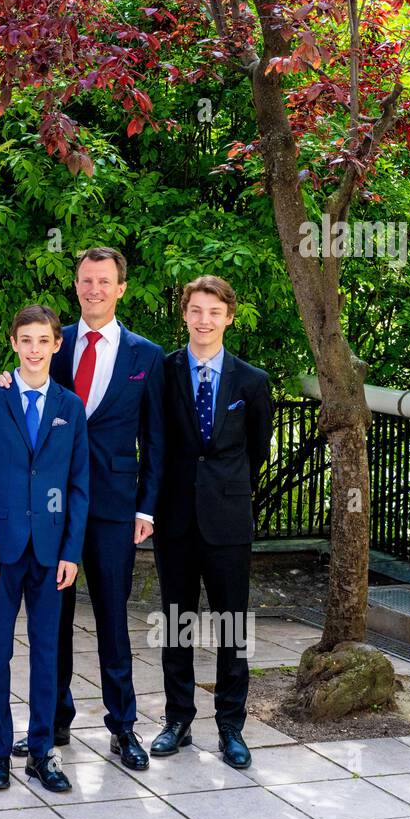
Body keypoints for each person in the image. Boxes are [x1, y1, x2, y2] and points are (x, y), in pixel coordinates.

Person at [0, 246, 165, 770]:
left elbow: (156, 441)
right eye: (86, 280)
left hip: (114, 507)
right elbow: (27, 388)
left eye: (104, 281)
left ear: (121, 288)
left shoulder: (146, 356)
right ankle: (55, 720)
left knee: (113, 618)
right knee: (54, 620)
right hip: (51, 507)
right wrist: (3, 382)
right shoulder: (54, 341)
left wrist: (147, 509)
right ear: (77, 285)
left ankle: (123, 726)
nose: (94, 289)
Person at [0, 305, 89, 793]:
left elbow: (78, 485)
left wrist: (72, 551)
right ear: (14, 343)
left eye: (44, 340)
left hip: (51, 551)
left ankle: (42, 752)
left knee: (46, 655)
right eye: (26, 340)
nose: (35, 349)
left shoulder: (70, 407)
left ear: (57, 345)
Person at [152, 275, 271, 769]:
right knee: (176, 623)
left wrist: (225, 490)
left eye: (214, 312)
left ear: (229, 318)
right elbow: (155, 441)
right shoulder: (164, 371)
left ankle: (230, 727)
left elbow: (258, 450)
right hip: (175, 518)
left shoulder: (251, 381)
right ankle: (177, 719)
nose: (204, 320)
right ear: (185, 314)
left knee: (231, 627)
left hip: (227, 520)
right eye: (196, 310)